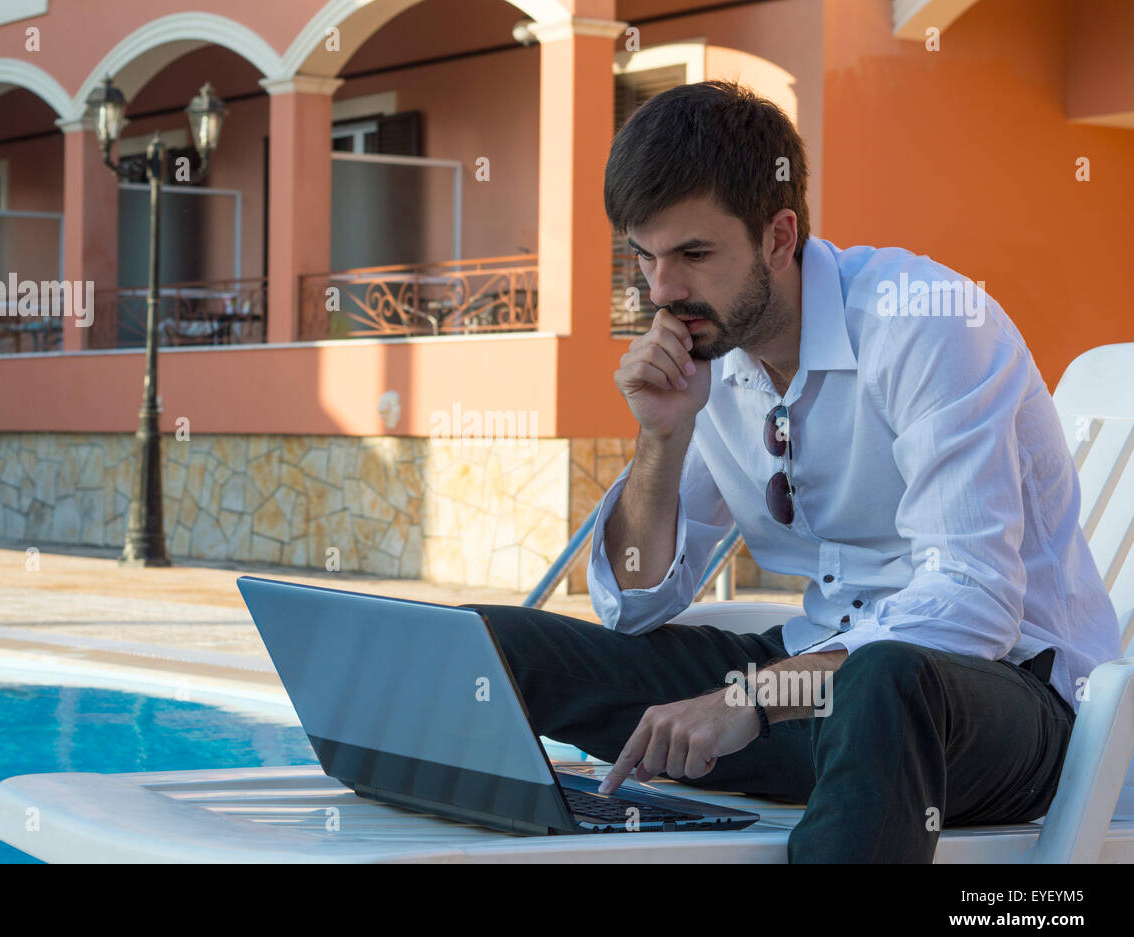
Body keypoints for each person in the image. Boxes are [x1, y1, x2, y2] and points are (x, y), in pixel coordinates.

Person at [461, 80, 1121, 863]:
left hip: (996, 709)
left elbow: (972, 604)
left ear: (779, 235)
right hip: (810, 698)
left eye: (694, 255)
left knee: (880, 681)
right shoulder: (714, 358)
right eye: (645, 258)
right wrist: (662, 439)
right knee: (481, 642)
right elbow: (634, 606)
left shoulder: (927, 325)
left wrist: (750, 697)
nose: (663, 291)